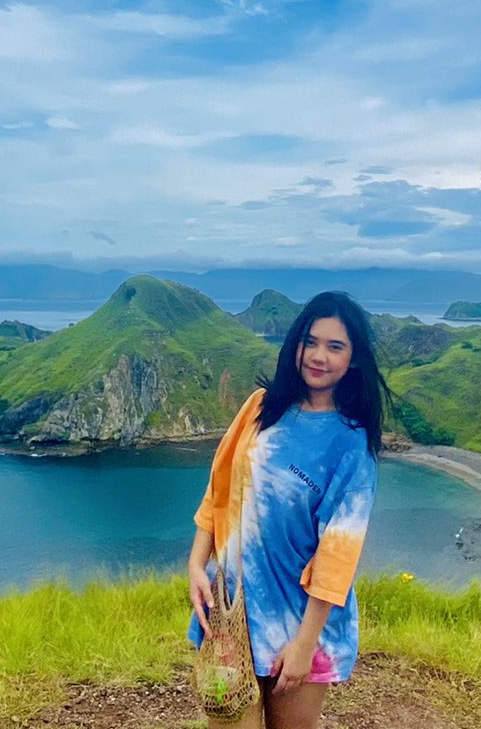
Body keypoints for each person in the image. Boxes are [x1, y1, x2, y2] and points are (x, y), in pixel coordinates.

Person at [186, 292, 387, 729]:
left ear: (353, 360)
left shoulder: (350, 444)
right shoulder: (260, 407)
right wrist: (197, 564)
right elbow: (219, 487)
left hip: (299, 624)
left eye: (335, 347)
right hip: (233, 613)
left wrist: (303, 644)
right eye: (310, 342)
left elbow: (338, 557)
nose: (318, 356)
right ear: (294, 343)